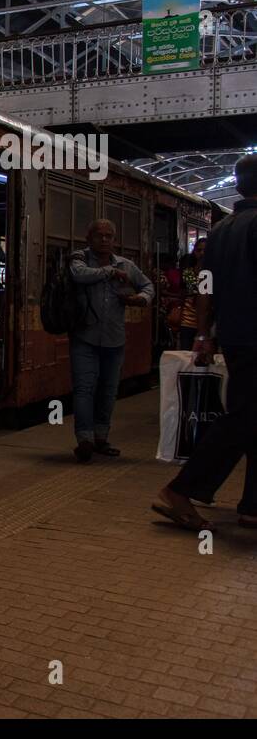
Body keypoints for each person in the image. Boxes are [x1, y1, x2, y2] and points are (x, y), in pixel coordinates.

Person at [153, 158, 257, 531]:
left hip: (235, 335)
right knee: (243, 417)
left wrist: (203, 333)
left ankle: (252, 506)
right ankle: (182, 490)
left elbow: (205, 287)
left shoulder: (222, 229)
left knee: (250, 415)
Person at [65, 219, 154, 462]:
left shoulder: (128, 265)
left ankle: (101, 438)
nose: (104, 240)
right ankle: (84, 440)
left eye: (109, 236)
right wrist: (110, 272)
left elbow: (148, 286)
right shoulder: (79, 259)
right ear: (89, 238)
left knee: (108, 390)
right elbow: (78, 275)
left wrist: (141, 299)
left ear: (114, 240)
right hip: (84, 336)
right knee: (84, 389)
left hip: (114, 340)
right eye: (99, 235)